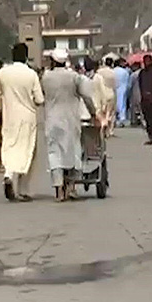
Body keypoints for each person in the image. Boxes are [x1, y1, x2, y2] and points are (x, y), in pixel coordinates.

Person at [42, 49, 97, 202]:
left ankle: (59, 189)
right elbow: (86, 96)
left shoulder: (46, 77)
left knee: (55, 154)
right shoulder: (74, 77)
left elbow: (42, 96)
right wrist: (93, 113)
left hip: (52, 120)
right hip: (71, 120)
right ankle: (72, 187)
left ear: (53, 61)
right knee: (73, 152)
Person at [0, 43, 45, 202]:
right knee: (27, 150)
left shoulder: (3, 73)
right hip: (27, 117)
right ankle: (23, 190)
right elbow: (40, 99)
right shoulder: (31, 74)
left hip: (9, 116)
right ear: (25, 56)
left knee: (9, 146)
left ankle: (8, 174)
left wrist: (2, 110)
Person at [96, 58, 118, 137]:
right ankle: (110, 130)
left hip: (102, 93)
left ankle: (103, 125)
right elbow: (116, 85)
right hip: (111, 92)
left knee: (103, 111)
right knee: (111, 113)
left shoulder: (99, 72)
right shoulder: (113, 73)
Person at [113, 59, 131, 128]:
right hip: (123, 89)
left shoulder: (113, 71)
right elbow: (128, 83)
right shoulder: (125, 72)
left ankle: (115, 119)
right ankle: (121, 119)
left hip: (115, 89)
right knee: (122, 104)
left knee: (115, 104)